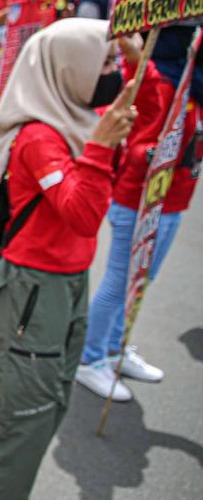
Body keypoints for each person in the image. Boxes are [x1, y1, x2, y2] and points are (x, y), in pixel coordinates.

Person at [0, 19, 144, 498]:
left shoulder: (77, 118)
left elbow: (145, 118)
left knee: (52, 405)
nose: (110, 74)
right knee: (24, 422)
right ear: (70, 68)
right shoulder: (39, 138)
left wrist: (133, 59)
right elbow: (83, 215)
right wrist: (100, 148)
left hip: (69, 283)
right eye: (104, 63)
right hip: (33, 290)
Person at [76, 25, 201, 401]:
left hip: (174, 201)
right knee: (119, 282)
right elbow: (136, 139)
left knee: (138, 284)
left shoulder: (187, 84)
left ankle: (115, 348)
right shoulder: (159, 81)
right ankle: (89, 358)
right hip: (140, 200)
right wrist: (156, 155)